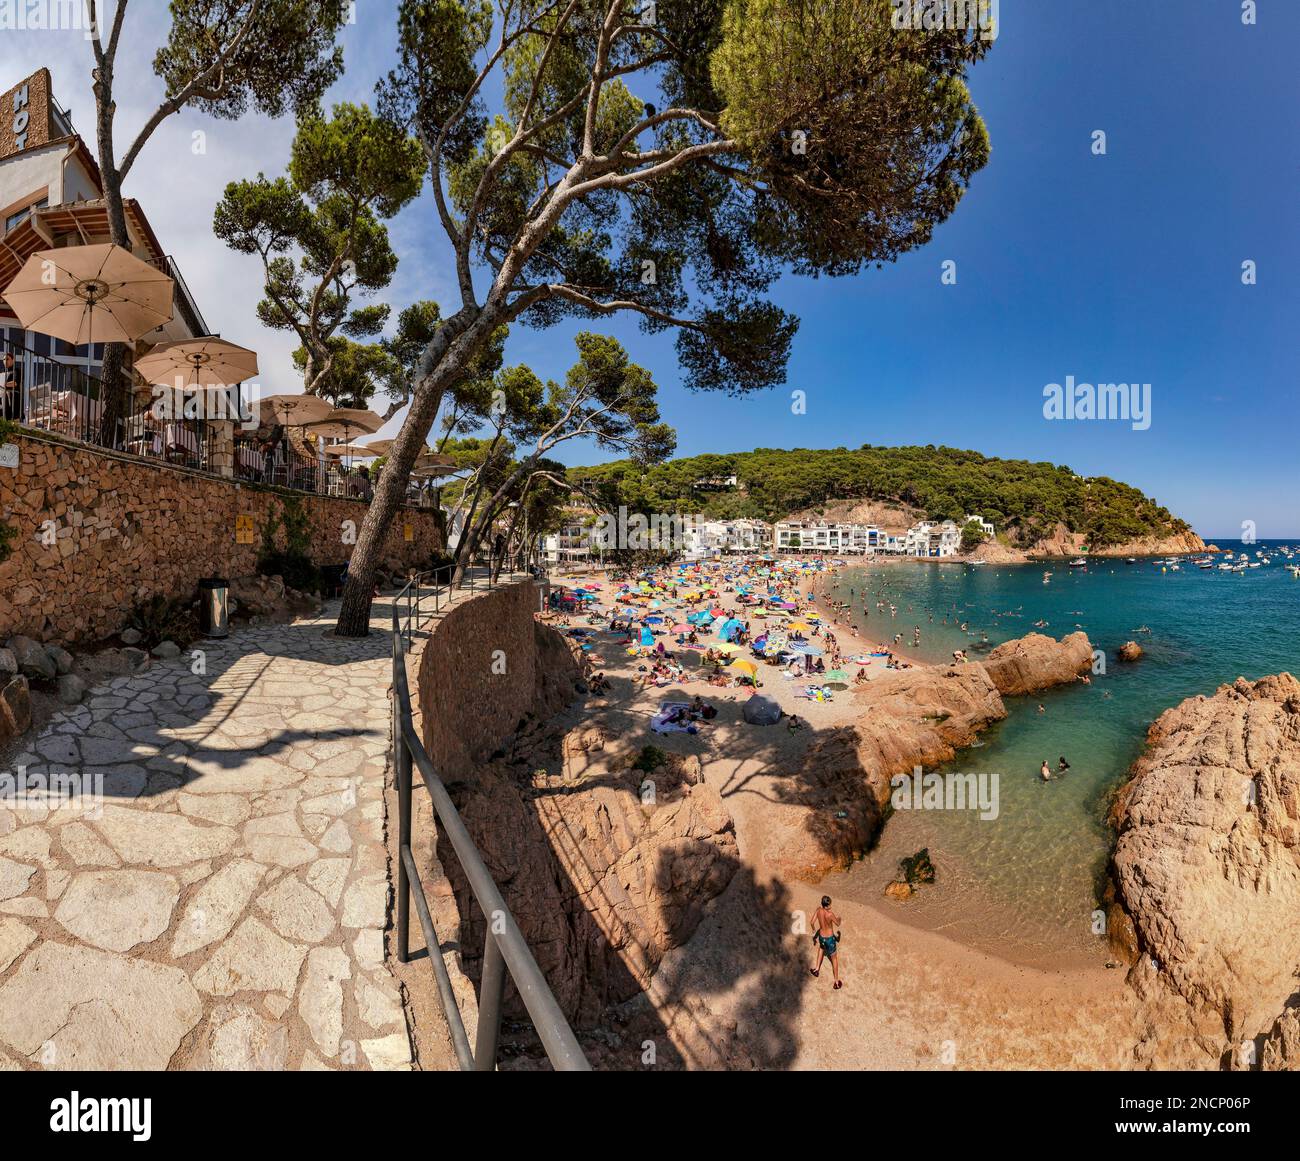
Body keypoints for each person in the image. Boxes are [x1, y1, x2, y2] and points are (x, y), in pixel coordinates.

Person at [810, 896, 843, 989]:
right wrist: (839, 918)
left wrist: (814, 932)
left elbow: (811, 922)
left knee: (821, 948)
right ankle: (836, 982)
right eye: (830, 905)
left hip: (821, 937)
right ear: (827, 906)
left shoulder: (818, 910)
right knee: (834, 959)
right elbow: (837, 923)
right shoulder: (830, 914)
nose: (831, 906)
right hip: (829, 939)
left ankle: (816, 969)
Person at [0, 350, 22, 421]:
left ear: (13, 360)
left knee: (5, 396)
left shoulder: (16, 370)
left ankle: (6, 419)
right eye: (3, 359)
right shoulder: (2, 372)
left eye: (7, 359)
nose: (5, 361)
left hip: (13, 396)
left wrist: (4, 384)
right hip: (2, 394)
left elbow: (15, 383)